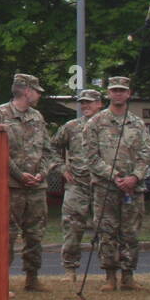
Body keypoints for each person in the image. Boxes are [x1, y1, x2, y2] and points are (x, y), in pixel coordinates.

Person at [82, 77, 150, 291]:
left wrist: (135, 177)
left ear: (128, 93)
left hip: (133, 187)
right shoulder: (95, 123)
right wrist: (114, 176)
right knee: (106, 231)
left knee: (130, 232)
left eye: (122, 90)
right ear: (108, 94)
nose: (118, 94)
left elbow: (146, 153)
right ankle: (110, 276)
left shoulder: (137, 123)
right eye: (114, 90)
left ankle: (128, 276)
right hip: (106, 187)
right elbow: (91, 156)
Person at [0, 73, 54, 294]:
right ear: (26, 91)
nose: (38, 95)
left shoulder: (37, 117)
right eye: (36, 90)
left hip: (36, 188)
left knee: (35, 233)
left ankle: (32, 277)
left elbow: (48, 150)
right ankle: (0, 280)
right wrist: (19, 174)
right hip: (10, 186)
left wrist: (42, 173)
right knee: (6, 236)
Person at [51, 88, 102, 280]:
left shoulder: (107, 125)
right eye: (82, 102)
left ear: (99, 104)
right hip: (77, 184)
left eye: (89, 102)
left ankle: (110, 271)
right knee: (72, 226)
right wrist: (62, 168)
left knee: (107, 228)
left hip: (102, 184)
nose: (85, 106)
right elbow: (52, 147)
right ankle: (70, 269)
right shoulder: (71, 127)